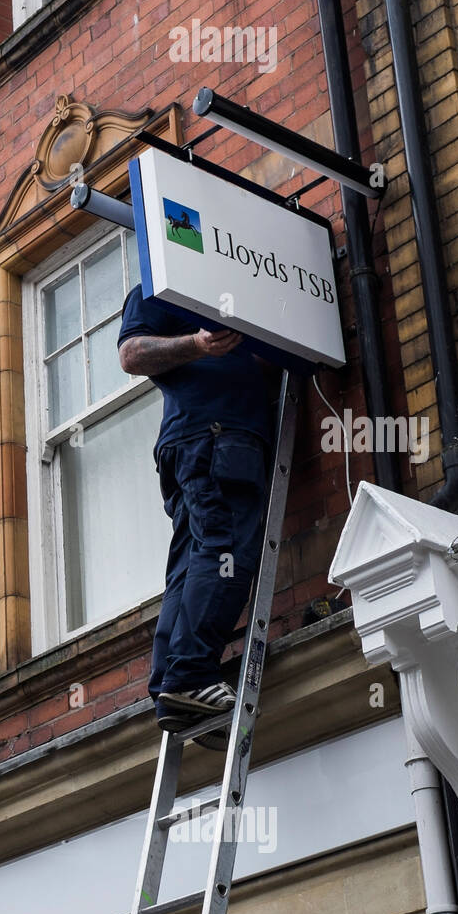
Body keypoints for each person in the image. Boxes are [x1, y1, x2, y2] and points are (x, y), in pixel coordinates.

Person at [118, 288, 279, 749]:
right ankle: (190, 673)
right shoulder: (169, 278)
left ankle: (173, 684)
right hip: (213, 439)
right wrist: (197, 343)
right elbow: (131, 354)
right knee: (225, 549)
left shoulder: (232, 279)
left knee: (194, 560)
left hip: (202, 442)